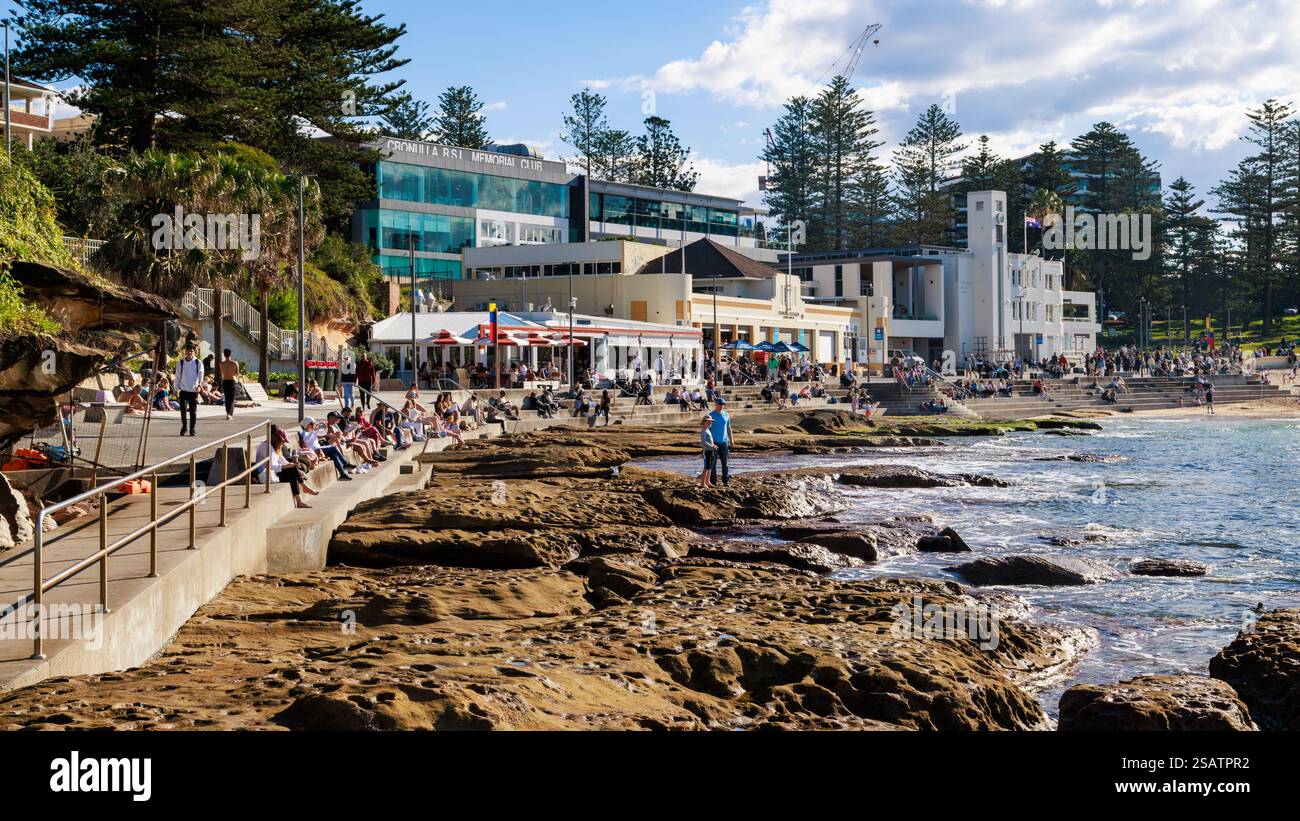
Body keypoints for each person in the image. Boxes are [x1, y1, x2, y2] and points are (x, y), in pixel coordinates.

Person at [256, 425, 317, 509]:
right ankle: (304, 487)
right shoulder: (266, 446)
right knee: (292, 469)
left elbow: (283, 461)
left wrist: (296, 468)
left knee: (293, 472)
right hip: (266, 476)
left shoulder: (274, 447)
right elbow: (272, 466)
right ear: (276, 438)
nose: (283, 443)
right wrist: (290, 466)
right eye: (282, 441)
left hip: (272, 473)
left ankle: (299, 501)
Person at [174, 345, 203, 436]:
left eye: (191, 351)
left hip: (193, 390)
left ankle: (192, 429)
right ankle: (184, 426)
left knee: (193, 411)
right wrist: (176, 389)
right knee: (183, 411)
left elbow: (200, 375)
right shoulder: (181, 363)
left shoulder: (198, 362)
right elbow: (178, 377)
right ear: (185, 351)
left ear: (194, 352)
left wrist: (199, 385)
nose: (190, 352)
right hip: (183, 390)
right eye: (188, 351)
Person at [706, 397, 733, 487]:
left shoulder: (726, 415)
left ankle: (726, 480)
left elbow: (728, 428)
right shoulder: (711, 415)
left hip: (724, 442)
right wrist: (709, 443)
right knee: (713, 464)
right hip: (714, 443)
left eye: (723, 404)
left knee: (725, 464)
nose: (722, 406)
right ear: (716, 404)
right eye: (720, 404)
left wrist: (731, 440)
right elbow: (707, 429)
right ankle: (713, 481)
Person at [218, 348, 240, 420]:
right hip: (231, 381)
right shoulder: (234, 363)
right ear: (230, 354)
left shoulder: (221, 363)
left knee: (227, 398)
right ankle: (230, 414)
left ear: (224, 355)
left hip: (225, 381)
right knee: (231, 399)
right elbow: (237, 373)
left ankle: (228, 413)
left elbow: (222, 373)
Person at [698, 415, 717, 489]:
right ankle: (702, 483)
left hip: (710, 450)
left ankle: (708, 481)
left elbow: (709, 441)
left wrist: (713, 445)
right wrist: (711, 446)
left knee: (709, 467)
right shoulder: (703, 431)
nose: (710, 423)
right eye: (708, 422)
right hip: (706, 451)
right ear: (704, 422)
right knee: (706, 467)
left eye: (711, 422)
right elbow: (703, 442)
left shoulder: (708, 430)